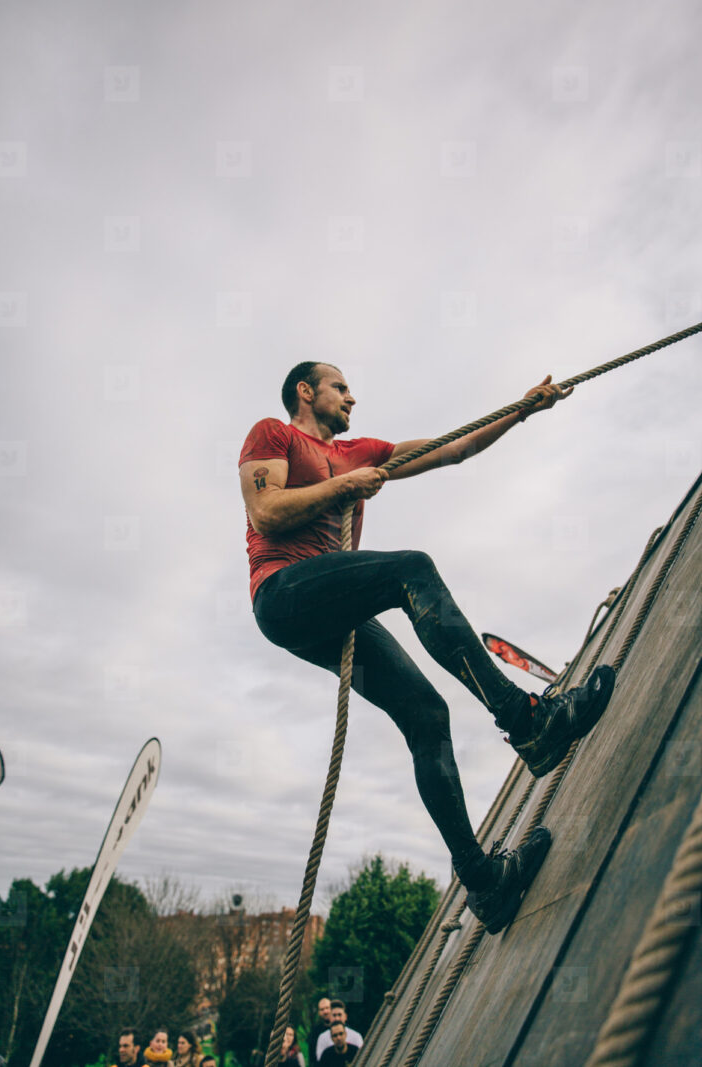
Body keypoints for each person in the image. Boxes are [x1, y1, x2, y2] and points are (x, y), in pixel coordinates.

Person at [239, 362, 616, 934]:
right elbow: (264, 511)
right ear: (306, 391)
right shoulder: (274, 434)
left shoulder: (364, 451)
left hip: (334, 608)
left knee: (427, 713)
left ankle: (482, 882)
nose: (352, 397)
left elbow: (452, 449)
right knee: (409, 570)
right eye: (341, 387)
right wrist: (344, 486)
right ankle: (524, 718)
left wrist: (522, 409)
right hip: (284, 594)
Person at [308, 997, 331, 1064]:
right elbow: (312, 1056)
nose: (325, 1012)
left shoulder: (342, 1028)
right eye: (322, 1009)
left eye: (327, 1008)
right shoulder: (315, 1032)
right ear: (319, 1012)